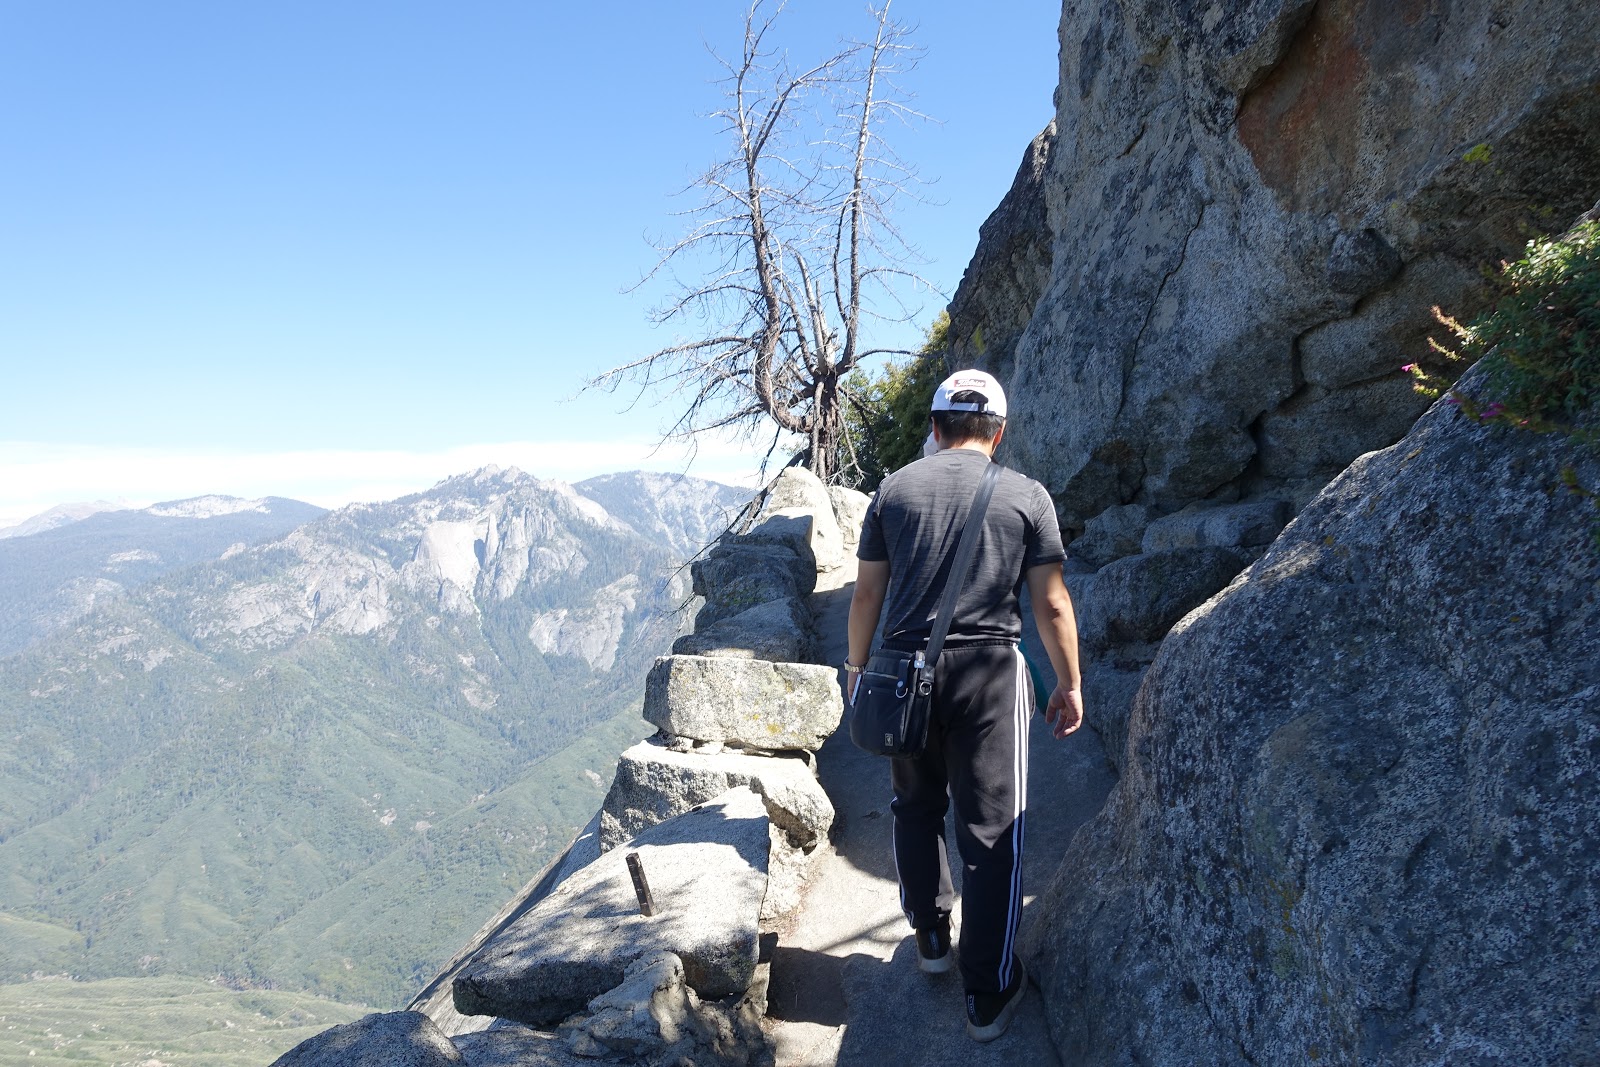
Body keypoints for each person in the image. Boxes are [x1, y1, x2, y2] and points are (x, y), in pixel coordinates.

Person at [843, 369, 1084, 1042]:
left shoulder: (893, 490)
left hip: (904, 674)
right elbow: (1052, 602)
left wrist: (857, 670)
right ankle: (987, 991)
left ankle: (929, 937)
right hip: (990, 676)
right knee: (993, 830)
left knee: (915, 807)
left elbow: (866, 595)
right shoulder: (1027, 495)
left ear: (934, 426)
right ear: (998, 433)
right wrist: (1069, 682)